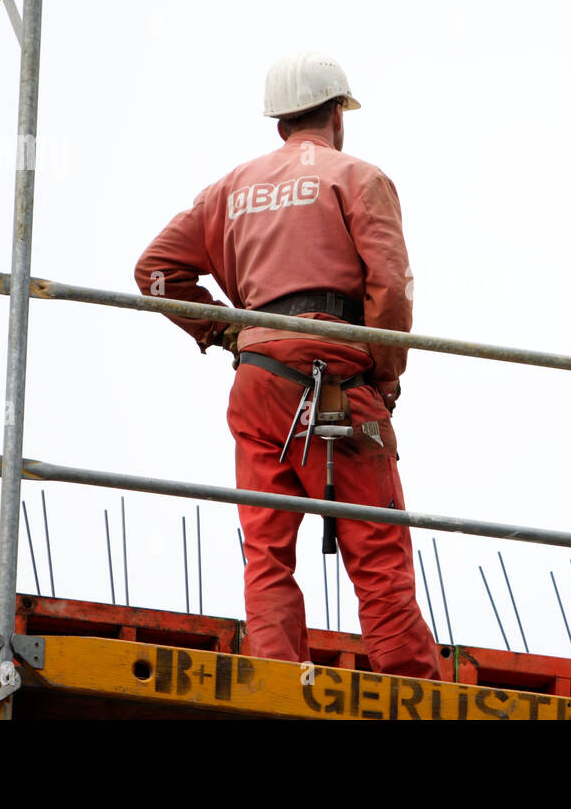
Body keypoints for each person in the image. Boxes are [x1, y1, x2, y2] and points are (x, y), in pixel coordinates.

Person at [134, 51, 440, 680]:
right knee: (377, 550)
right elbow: (391, 287)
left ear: (278, 124)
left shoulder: (231, 189)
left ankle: (276, 682)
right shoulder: (358, 177)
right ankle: (413, 689)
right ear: (337, 114)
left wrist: (224, 328)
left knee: (267, 550)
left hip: (260, 380)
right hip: (338, 377)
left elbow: (155, 272)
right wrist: (384, 376)